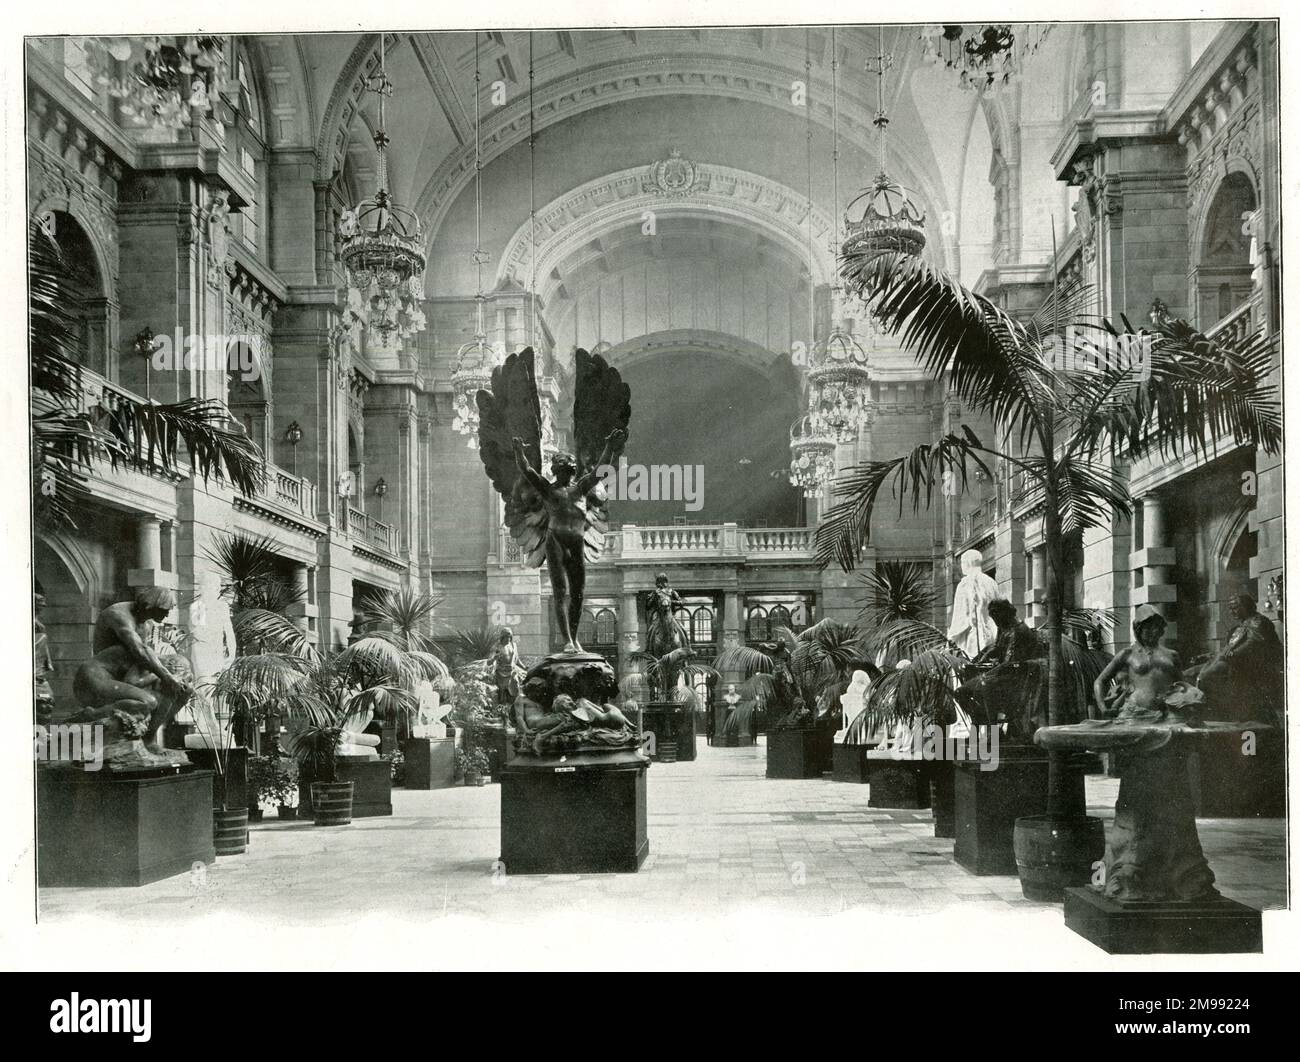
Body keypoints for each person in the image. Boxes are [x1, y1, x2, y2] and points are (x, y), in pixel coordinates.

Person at [511, 431, 626, 652]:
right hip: (556, 543)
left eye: (569, 471)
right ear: (556, 471)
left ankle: (574, 639)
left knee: (579, 593)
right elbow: (527, 470)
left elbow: (600, 470)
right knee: (560, 591)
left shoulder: (580, 488)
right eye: (562, 470)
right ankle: (567, 641)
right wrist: (518, 450)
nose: (566, 474)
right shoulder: (547, 489)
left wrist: (610, 446)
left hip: (576, 543)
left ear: (572, 471)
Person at [954, 599, 1047, 741]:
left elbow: (1010, 664)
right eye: (993, 617)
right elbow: (997, 648)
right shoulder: (1003, 628)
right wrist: (979, 660)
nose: (995, 620)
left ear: (1005, 613)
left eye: (996, 616)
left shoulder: (1019, 631)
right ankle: (976, 727)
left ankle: (994, 731)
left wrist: (986, 674)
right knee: (961, 692)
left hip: (1017, 680)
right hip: (1002, 675)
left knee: (983, 686)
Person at [1093, 604, 1202, 724]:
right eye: (1149, 627)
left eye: (1157, 626)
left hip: (1168, 713)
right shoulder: (1127, 653)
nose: (1154, 631)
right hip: (1134, 713)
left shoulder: (1172, 655)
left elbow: (1182, 684)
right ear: (1138, 629)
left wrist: (1192, 694)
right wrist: (1103, 707)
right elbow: (1100, 681)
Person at [1194, 593, 1283, 722]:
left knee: (1209, 675)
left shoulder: (1258, 621)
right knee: (1193, 672)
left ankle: (1213, 712)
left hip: (1253, 668)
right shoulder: (1241, 626)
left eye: (1235, 608)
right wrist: (1210, 655)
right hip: (1236, 662)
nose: (1232, 612)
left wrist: (1233, 655)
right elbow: (1229, 648)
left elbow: (1252, 643)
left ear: (1246, 606)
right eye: (1230, 608)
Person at [946, 549, 998, 660]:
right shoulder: (991, 582)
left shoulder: (965, 584)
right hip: (992, 635)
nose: (961, 566)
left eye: (962, 563)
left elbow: (961, 616)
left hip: (973, 637)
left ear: (968, 563)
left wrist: (951, 636)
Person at [34, 592, 55, 724]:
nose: (42, 608)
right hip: (33, 664)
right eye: (39, 605)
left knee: (47, 698)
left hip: (39, 667)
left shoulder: (38, 623)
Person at [490, 627, 523, 707]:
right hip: (501, 674)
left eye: (509, 637)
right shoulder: (497, 647)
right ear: (502, 637)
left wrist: (524, 667)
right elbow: (489, 661)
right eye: (506, 637)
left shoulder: (513, 645)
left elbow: (517, 659)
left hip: (512, 673)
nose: (508, 639)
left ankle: (514, 711)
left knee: (515, 693)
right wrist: (494, 658)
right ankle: (502, 711)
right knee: (502, 695)